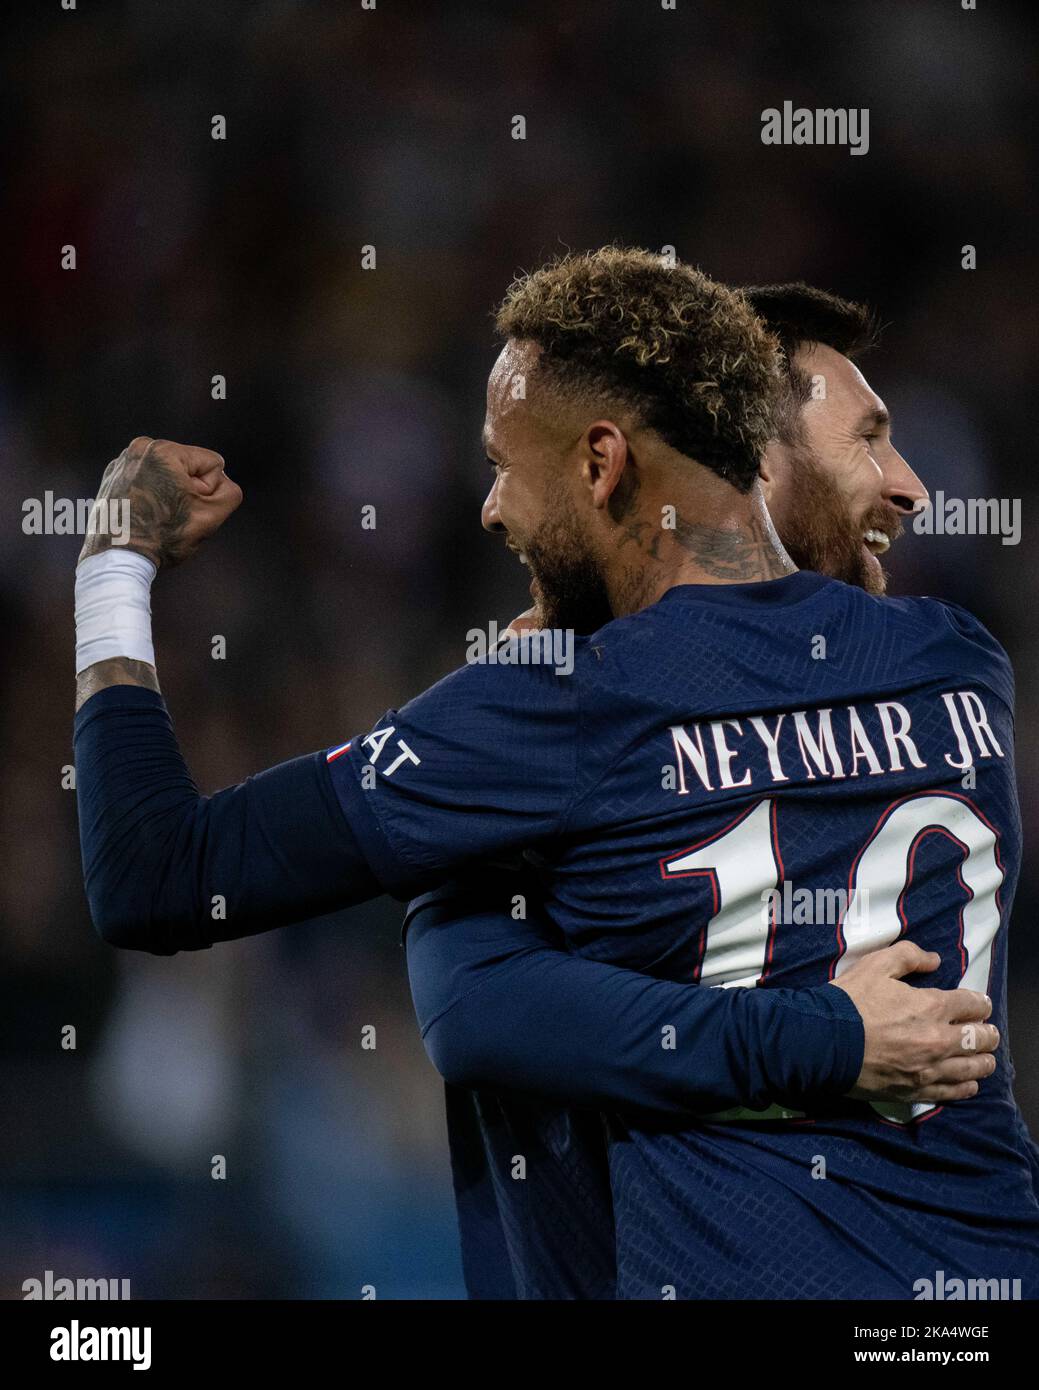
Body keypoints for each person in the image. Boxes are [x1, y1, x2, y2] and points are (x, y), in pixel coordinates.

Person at [73, 248, 1020, 1300]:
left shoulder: (556, 706)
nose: (490, 508)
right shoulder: (958, 661)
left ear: (600, 461)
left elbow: (154, 873)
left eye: (500, 461)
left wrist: (113, 561)